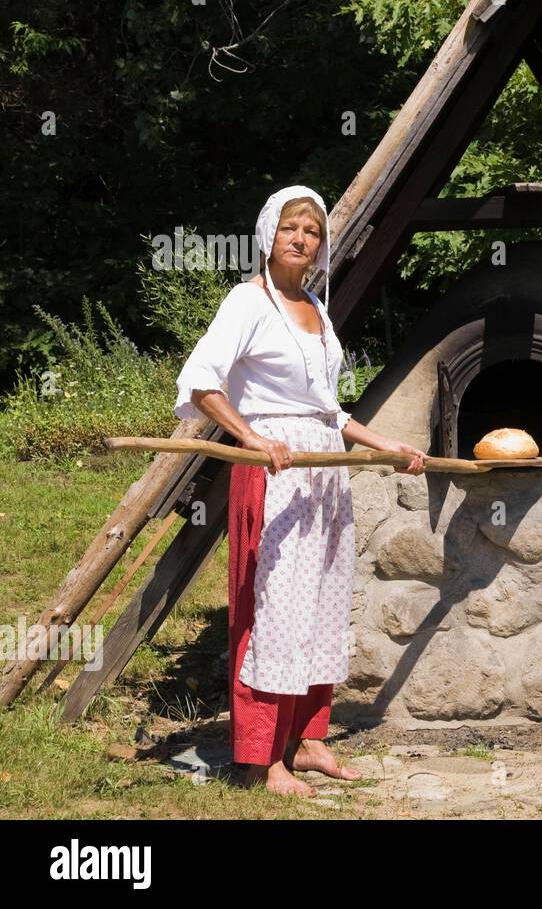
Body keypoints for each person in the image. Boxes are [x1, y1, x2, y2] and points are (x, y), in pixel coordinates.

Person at [173, 184, 428, 797]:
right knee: (275, 611)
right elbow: (201, 382)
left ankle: (309, 739)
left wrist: (383, 445)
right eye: (292, 227)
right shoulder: (247, 302)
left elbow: (328, 410)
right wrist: (251, 438)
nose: (302, 239)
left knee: (322, 605)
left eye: (313, 231)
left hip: (325, 471)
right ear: (269, 234)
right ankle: (264, 758)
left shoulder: (317, 306)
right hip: (276, 475)